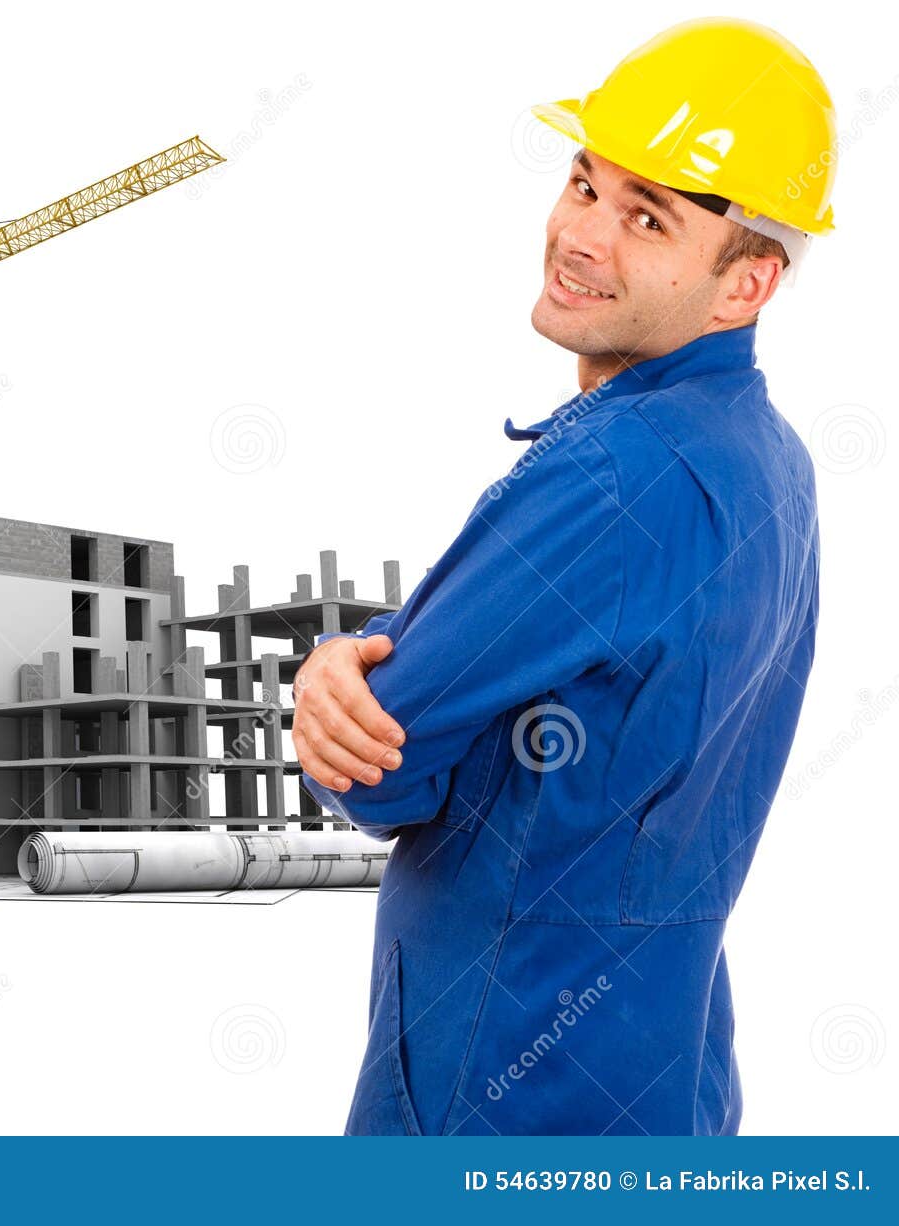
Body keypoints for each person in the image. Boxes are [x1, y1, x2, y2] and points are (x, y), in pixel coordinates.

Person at [293, 17, 836, 1135]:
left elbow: (377, 770)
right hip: (665, 1080)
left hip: (498, 1085)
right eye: (585, 184)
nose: (580, 236)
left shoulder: (611, 475)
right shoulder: (769, 459)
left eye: (648, 217)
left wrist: (339, 672)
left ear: (745, 284)